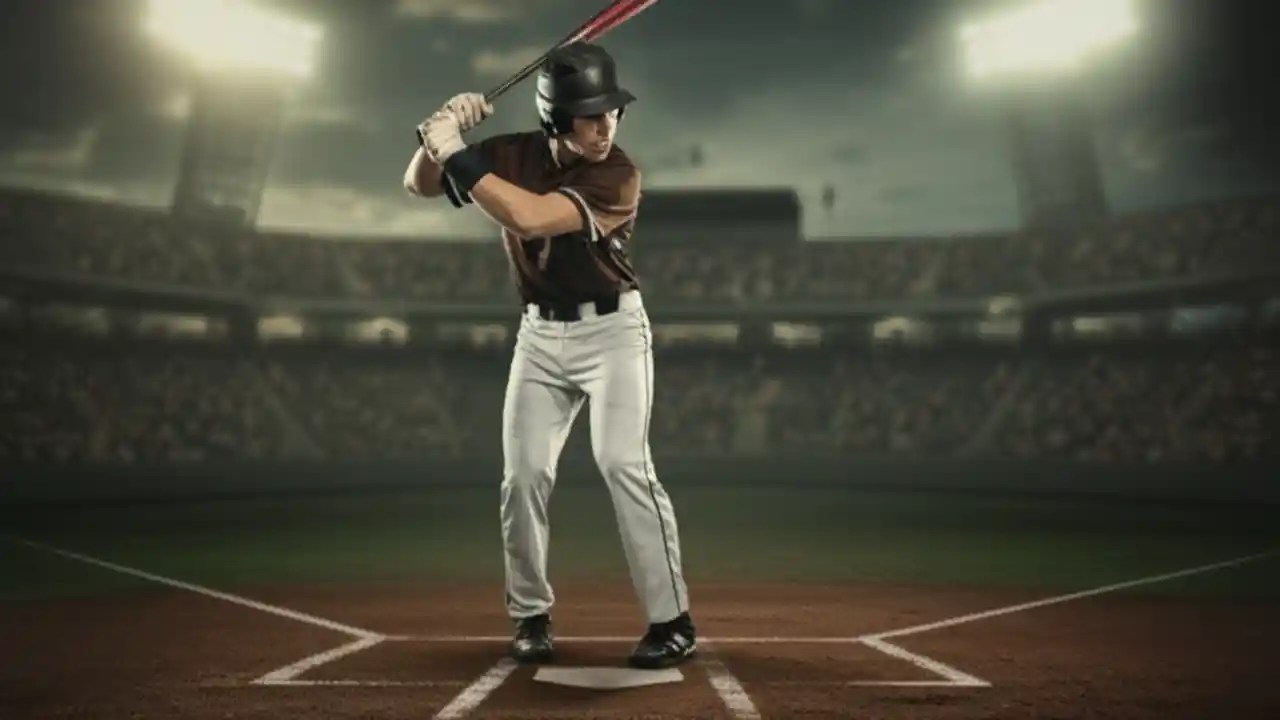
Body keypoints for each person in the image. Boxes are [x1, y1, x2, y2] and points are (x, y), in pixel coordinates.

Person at [403, 41, 696, 669]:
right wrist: (440, 130)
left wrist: (456, 152)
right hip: (538, 337)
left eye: (612, 112)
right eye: (591, 115)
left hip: (614, 332)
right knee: (524, 476)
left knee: (623, 463)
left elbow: (532, 219)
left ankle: (673, 621)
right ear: (556, 118)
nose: (606, 125)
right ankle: (531, 615)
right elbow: (420, 184)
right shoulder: (512, 152)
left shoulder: (618, 173)